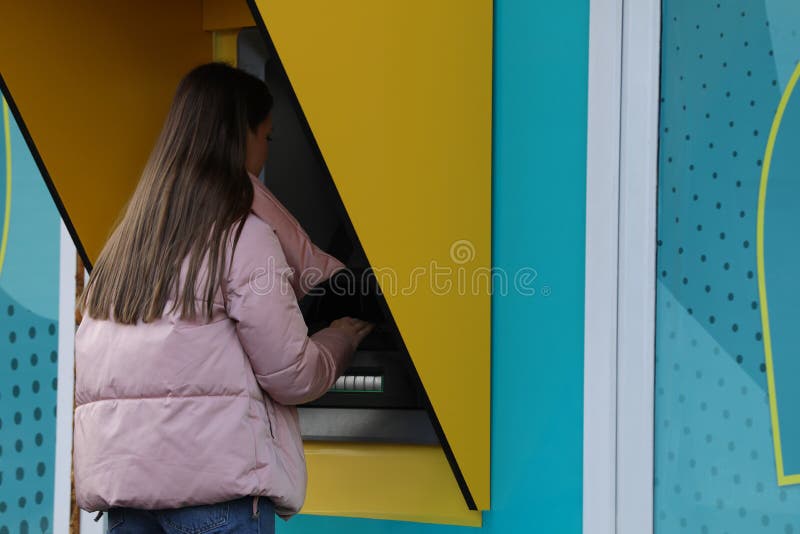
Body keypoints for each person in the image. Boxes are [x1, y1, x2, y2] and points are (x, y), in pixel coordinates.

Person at [72, 62, 373, 533]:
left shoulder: (124, 245)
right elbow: (293, 375)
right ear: (241, 137)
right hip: (217, 499)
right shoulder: (241, 236)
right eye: (266, 138)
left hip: (128, 501)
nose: (265, 154)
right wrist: (341, 340)